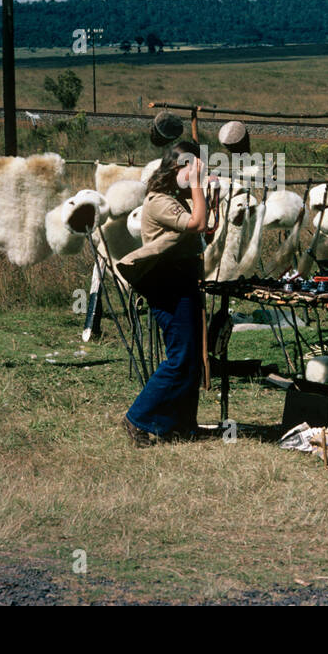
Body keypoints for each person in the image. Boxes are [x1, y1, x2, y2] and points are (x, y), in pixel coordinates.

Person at [117, 140, 210, 447]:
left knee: (192, 360)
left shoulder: (175, 198)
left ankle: (179, 425)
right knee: (180, 358)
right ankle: (137, 418)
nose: (196, 172)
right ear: (177, 167)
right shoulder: (159, 201)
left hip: (182, 281)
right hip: (167, 284)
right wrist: (198, 186)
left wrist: (210, 196)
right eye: (192, 166)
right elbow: (197, 223)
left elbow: (207, 226)